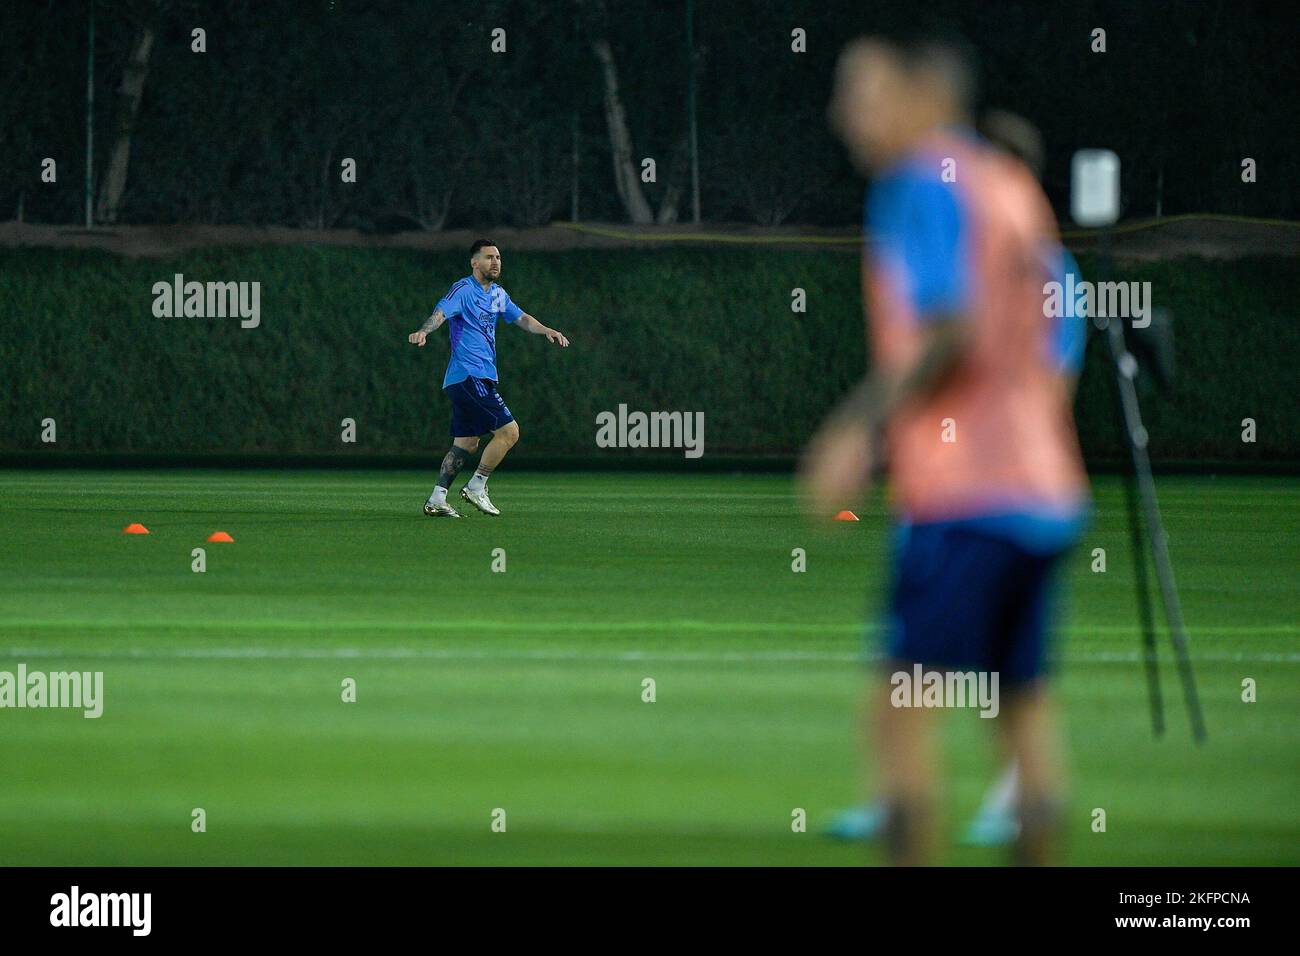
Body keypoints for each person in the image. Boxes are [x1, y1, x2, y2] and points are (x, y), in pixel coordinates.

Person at [803, 36, 1089, 865]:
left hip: (970, 495)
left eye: (861, 94)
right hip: (1044, 492)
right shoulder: (1009, 186)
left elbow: (951, 331)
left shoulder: (918, 184)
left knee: (897, 713)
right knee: (1022, 717)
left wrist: (858, 427)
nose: (843, 115)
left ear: (923, 98)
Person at [409, 240, 569, 517]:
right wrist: (424, 331)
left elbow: (522, 318)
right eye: (489, 257)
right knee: (509, 432)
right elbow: (440, 314)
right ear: (474, 263)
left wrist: (546, 330)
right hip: (469, 375)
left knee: (467, 443)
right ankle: (477, 485)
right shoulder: (463, 289)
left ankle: (437, 498)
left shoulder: (497, 294)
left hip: (472, 379)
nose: (496, 262)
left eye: (498, 257)